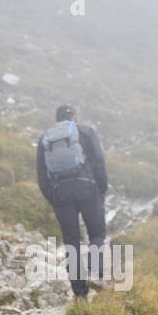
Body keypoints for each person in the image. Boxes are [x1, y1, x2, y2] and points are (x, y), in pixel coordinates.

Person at [36, 103, 108, 298]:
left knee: (72, 240)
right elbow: (99, 162)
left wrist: (53, 198)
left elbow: (42, 176)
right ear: (74, 118)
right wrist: (101, 189)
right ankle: (96, 274)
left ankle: (79, 291)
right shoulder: (86, 132)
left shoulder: (45, 139)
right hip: (87, 188)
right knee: (97, 233)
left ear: (56, 120)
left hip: (61, 194)